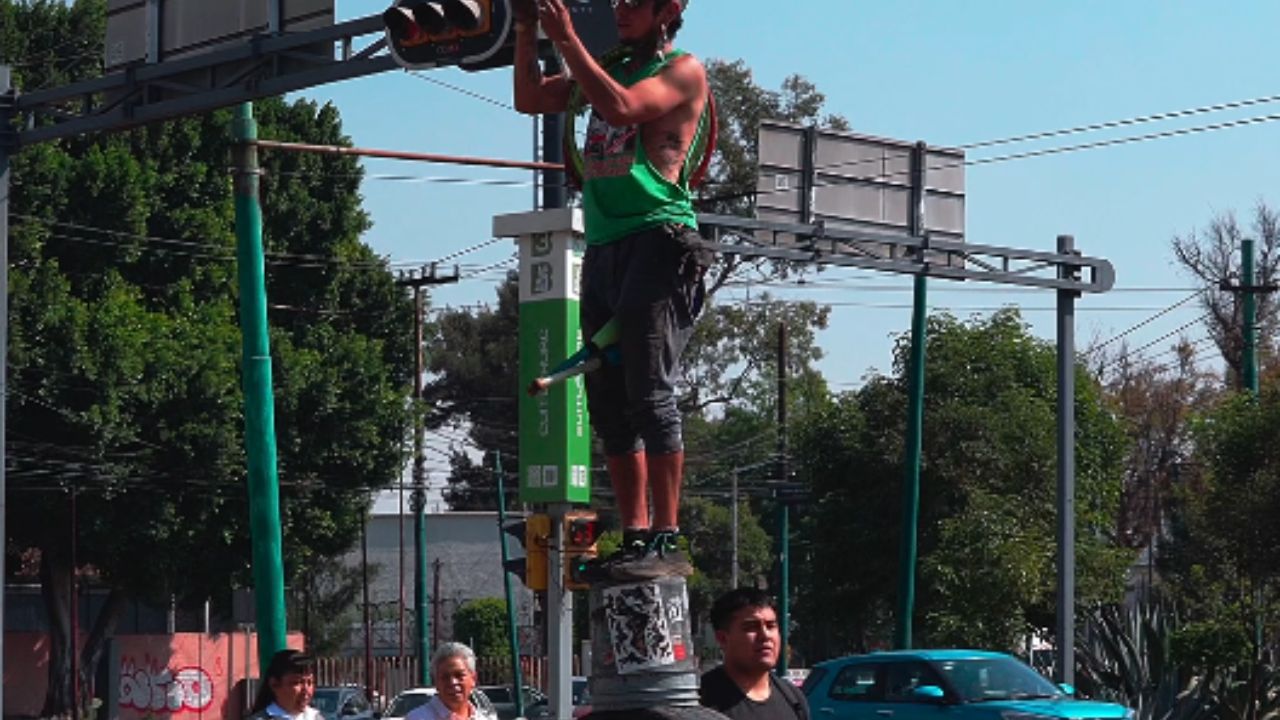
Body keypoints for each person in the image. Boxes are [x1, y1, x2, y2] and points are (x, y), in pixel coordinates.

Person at [513, 0, 713, 579]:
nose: (620, 9)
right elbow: (531, 99)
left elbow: (623, 109)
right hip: (604, 246)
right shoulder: (610, 64)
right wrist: (527, 30)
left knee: (650, 388)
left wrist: (568, 37)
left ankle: (667, 534)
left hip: (659, 237)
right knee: (608, 394)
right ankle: (636, 531)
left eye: (633, 1)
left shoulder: (681, 70)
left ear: (667, 9)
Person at [700, 589, 809, 720]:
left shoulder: (793, 698)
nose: (765, 635)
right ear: (723, 638)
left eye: (771, 626)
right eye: (751, 627)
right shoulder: (700, 702)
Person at [406, 642, 499, 720]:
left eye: (459, 675)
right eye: (445, 677)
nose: (453, 682)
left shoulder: (483, 718)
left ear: (473, 679)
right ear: (436, 682)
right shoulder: (418, 717)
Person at [247, 649, 322, 720]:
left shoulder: (315, 717)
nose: (306, 690)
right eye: (297, 682)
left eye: (310, 682)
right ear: (274, 684)